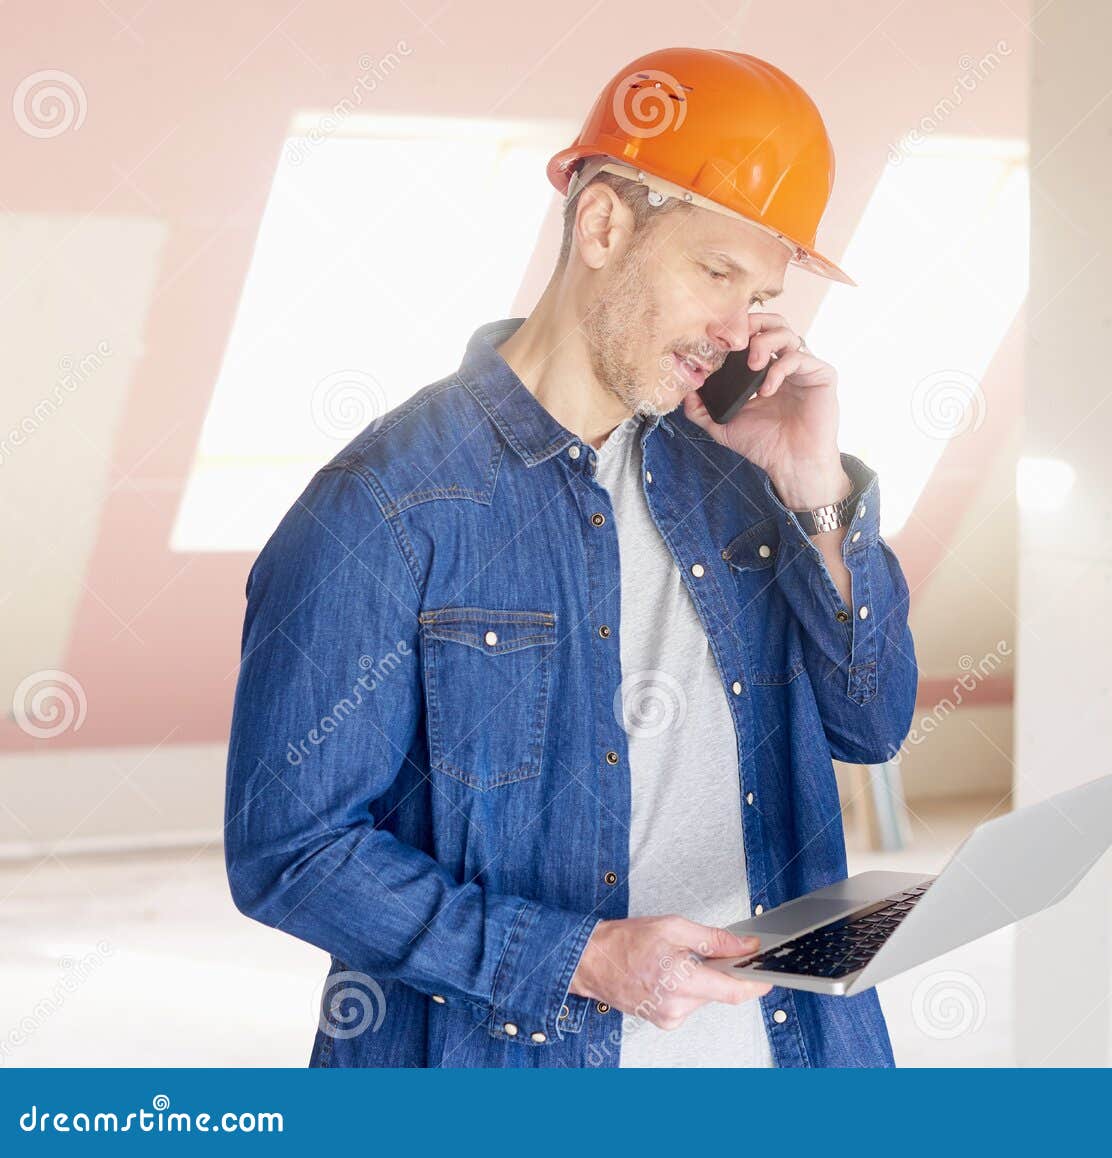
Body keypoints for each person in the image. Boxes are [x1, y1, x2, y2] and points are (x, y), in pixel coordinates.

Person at [223, 46, 917, 1068]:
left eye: (762, 294)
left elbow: (873, 723)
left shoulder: (743, 471)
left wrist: (815, 489)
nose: (737, 329)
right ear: (602, 225)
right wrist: (580, 961)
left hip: (793, 1051)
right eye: (716, 272)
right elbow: (290, 851)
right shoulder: (386, 502)